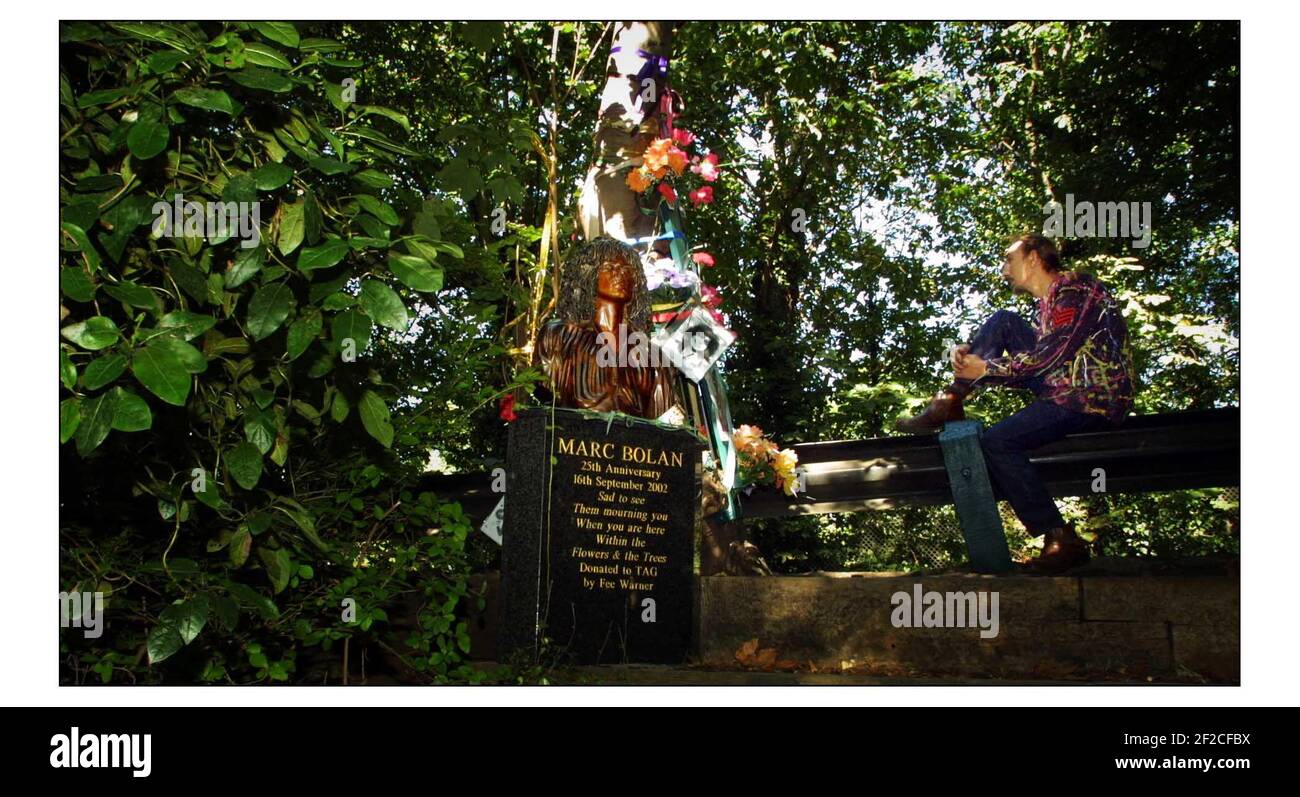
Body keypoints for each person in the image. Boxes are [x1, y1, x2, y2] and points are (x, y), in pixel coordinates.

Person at [894, 234, 1136, 572]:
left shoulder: (1075, 290)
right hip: (1063, 386)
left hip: (1091, 396)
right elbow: (1036, 365)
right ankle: (952, 398)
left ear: (1034, 258)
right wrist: (976, 363)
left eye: (1010, 259)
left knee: (997, 442)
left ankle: (1060, 537)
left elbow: (1050, 356)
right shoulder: (1046, 307)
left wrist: (984, 367)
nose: (1004, 270)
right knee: (1003, 321)